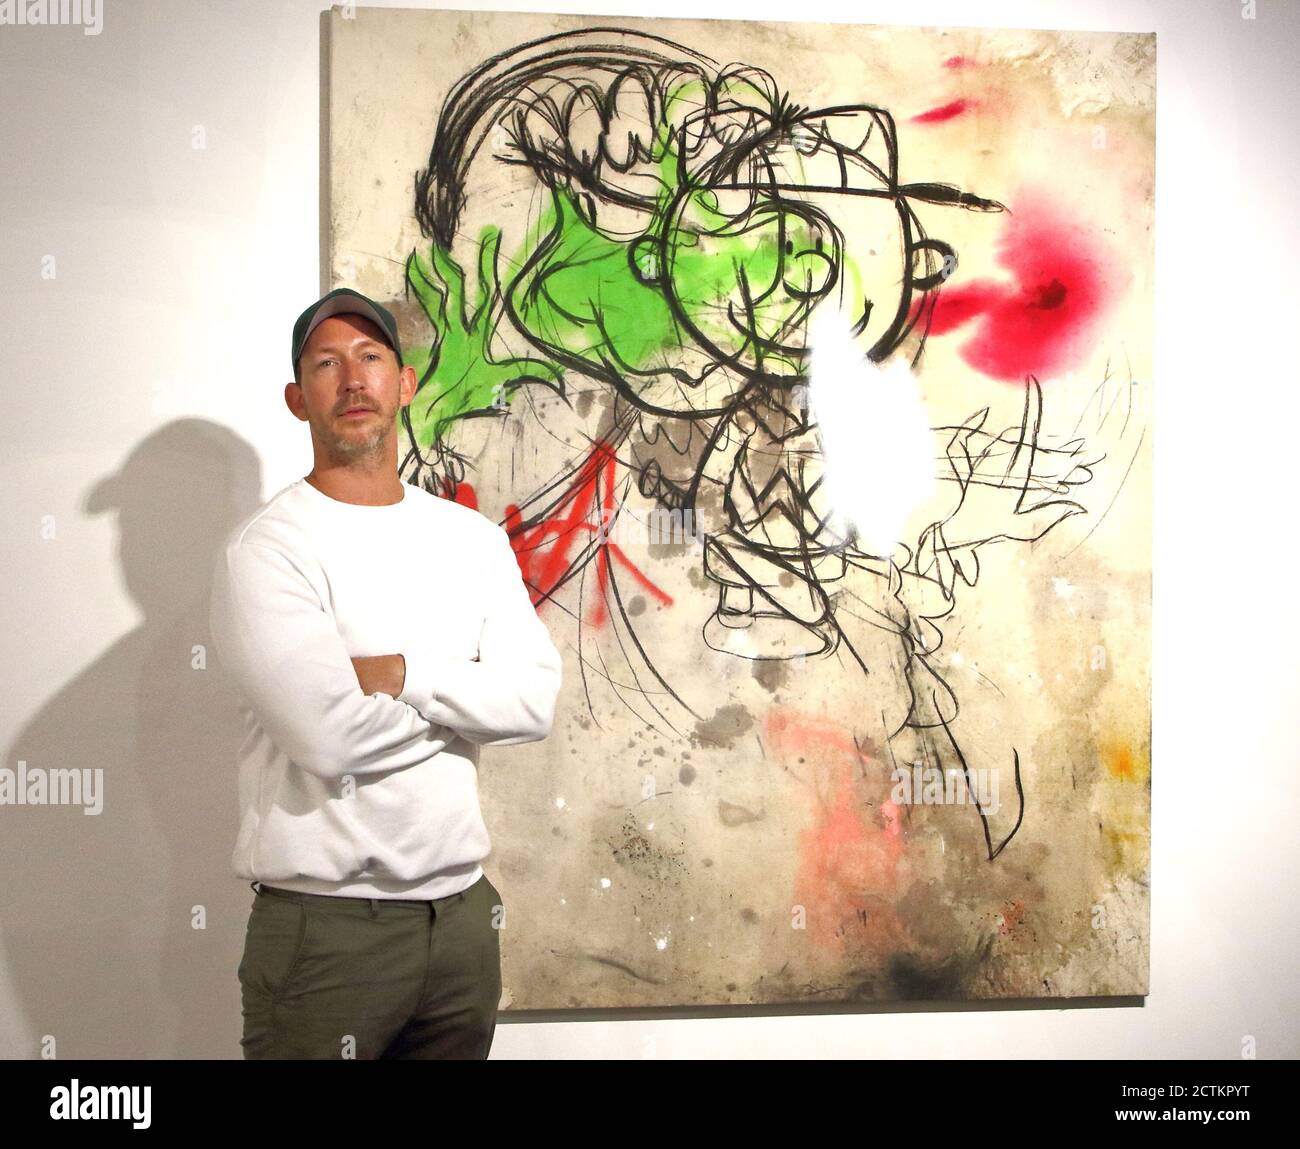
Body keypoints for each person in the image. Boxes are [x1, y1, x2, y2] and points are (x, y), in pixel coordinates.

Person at [208, 286, 563, 1059]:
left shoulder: (469, 538)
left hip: (463, 921)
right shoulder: (269, 549)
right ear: (298, 398)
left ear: (404, 384)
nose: (353, 379)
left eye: (372, 357)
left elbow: (535, 700)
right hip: (326, 932)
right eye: (328, 363)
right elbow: (329, 737)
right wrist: (470, 700)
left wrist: (402, 673)